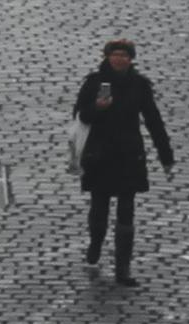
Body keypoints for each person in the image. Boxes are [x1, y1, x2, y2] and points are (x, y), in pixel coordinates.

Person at [73, 37, 174, 282]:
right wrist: (97, 107)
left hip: (129, 155)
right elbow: (80, 116)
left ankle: (122, 268)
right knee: (99, 207)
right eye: (115, 54)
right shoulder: (94, 83)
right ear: (107, 57)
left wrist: (165, 155)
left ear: (131, 59)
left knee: (126, 211)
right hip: (99, 155)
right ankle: (95, 243)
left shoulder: (139, 85)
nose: (120, 59)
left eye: (124, 55)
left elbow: (153, 120)